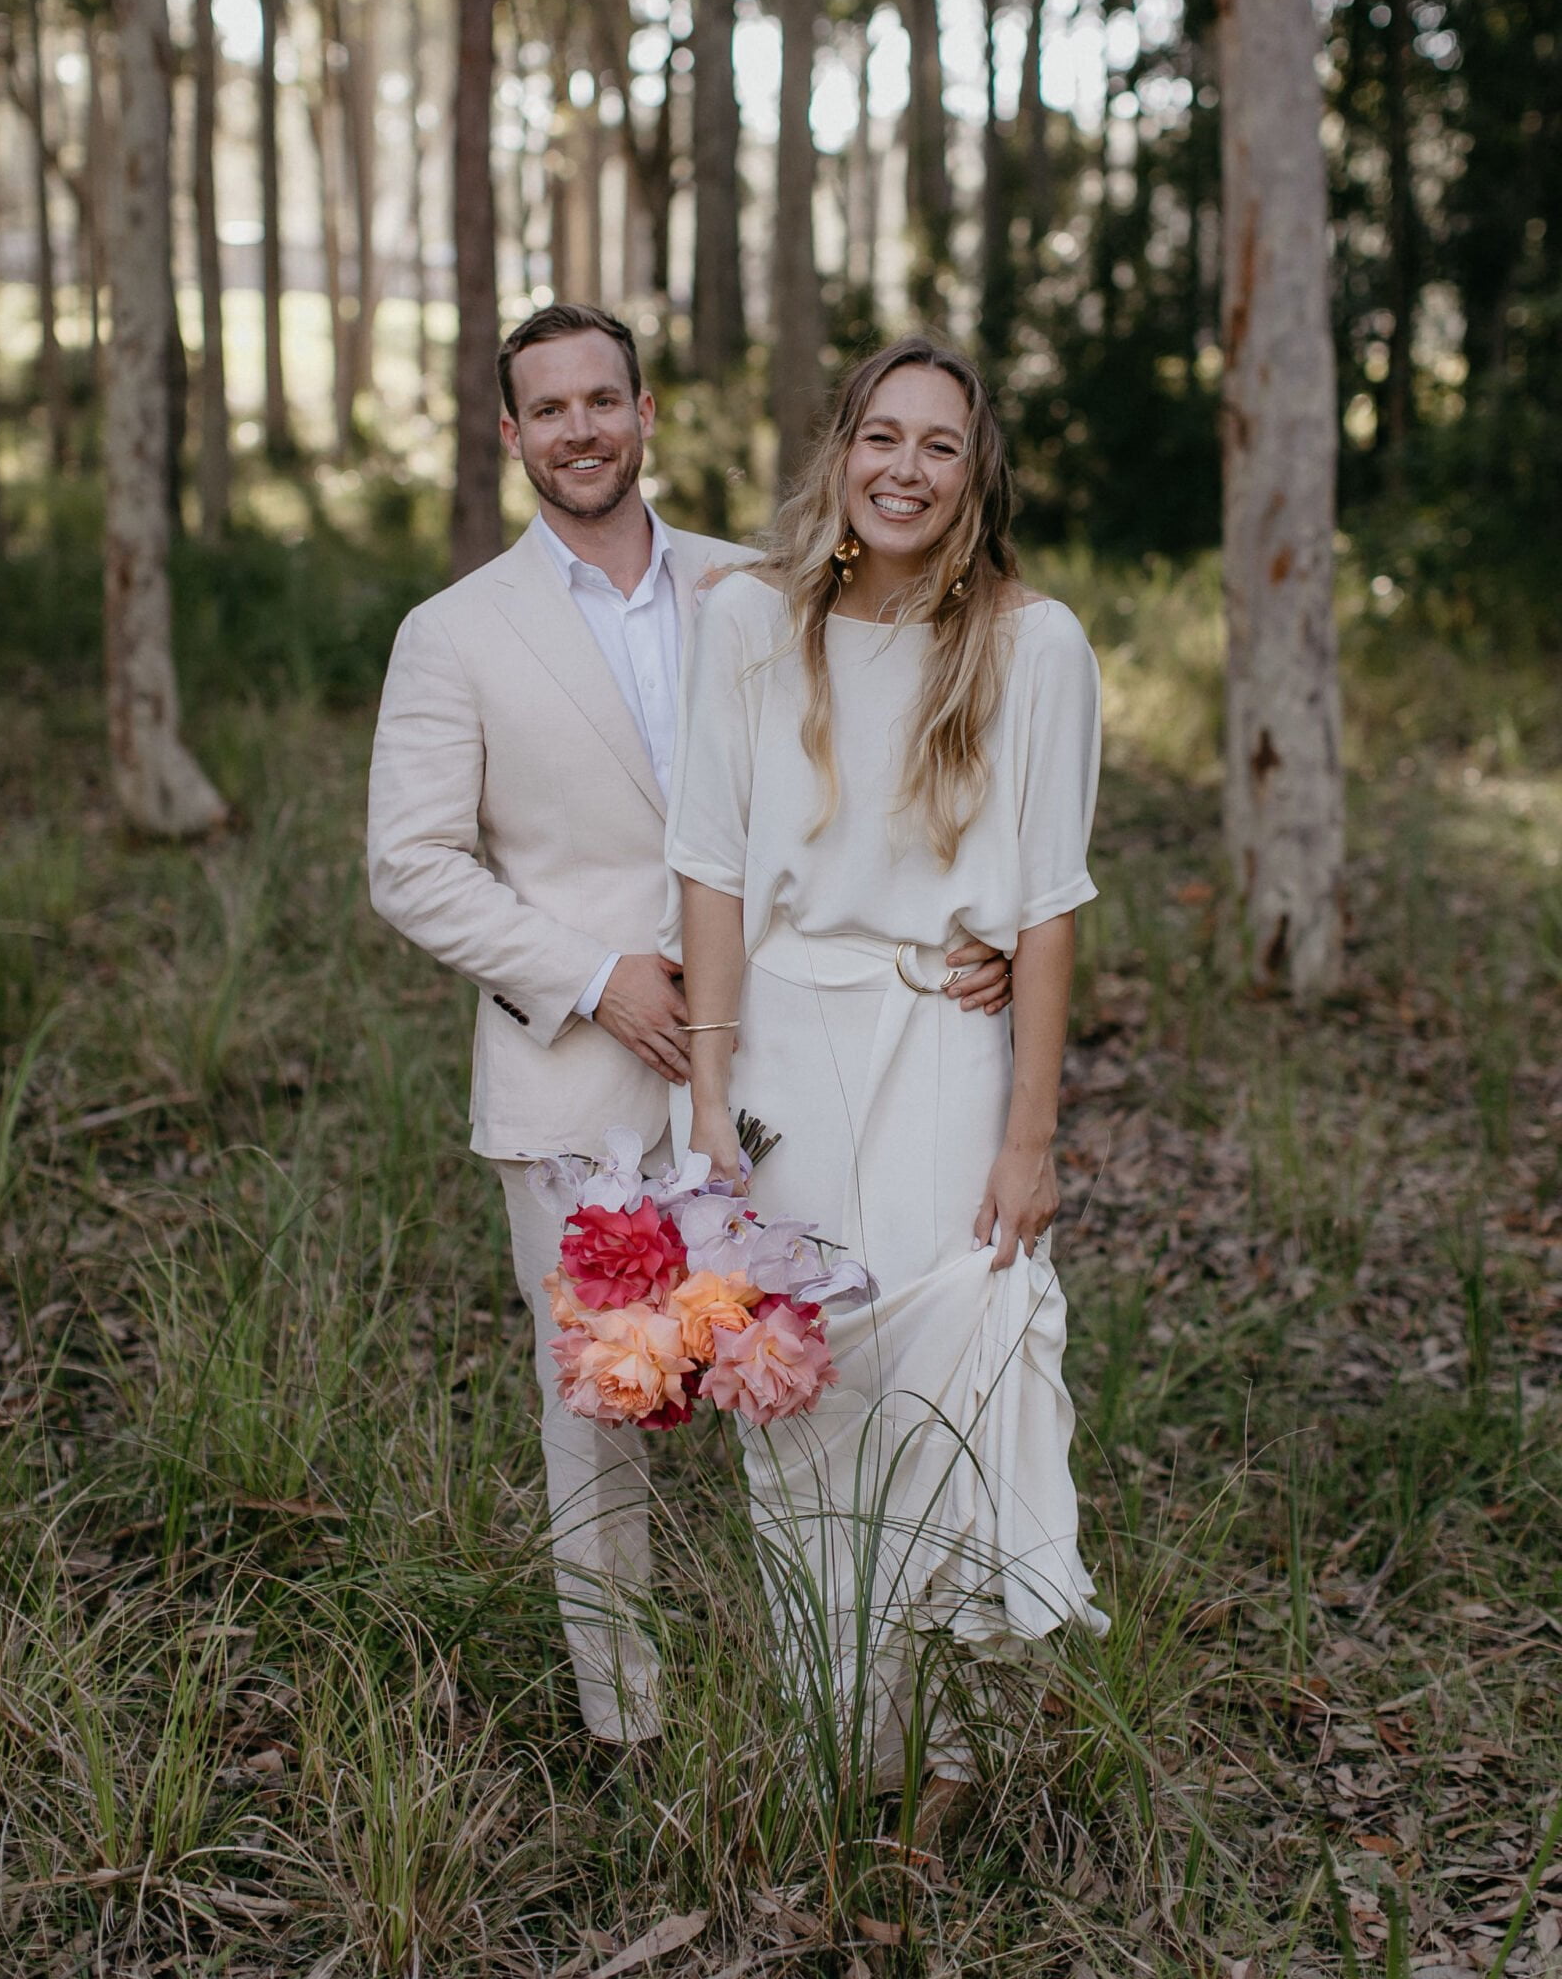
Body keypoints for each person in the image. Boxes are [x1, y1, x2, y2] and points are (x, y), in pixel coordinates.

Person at [366, 301, 1012, 1751]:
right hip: (575, 1083)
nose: (582, 428)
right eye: (550, 408)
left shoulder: (762, 586)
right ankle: (633, 1732)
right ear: (511, 433)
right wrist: (598, 975)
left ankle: (849, 1700)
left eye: (606, 399)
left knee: (818, 1385)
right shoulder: (453, 633)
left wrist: (977, 935)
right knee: (602, 1420)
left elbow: (901, 772)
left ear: (646, 415)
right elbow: (409, 867)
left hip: (781, 1067)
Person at [664, 333, 1108, 1798]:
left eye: (939, 445)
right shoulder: (748, 623)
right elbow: (712, 868)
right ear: (839, 450)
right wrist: (708, 1093)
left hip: (943, 1037)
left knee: (944, 1377)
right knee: (796, 1395)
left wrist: (1029, 1137)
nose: (904, 469)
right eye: (882, 436)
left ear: (976, 476)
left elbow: (1045, 910)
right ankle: (829, 1741)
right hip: (780, 1040)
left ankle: (948, 1759)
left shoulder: (1032, 644)